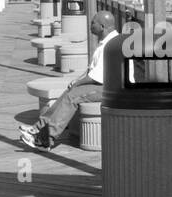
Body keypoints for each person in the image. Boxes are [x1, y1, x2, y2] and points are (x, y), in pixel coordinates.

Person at [20, 11, 118, 149]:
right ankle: (39, 128)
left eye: (93, 23)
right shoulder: (109, 41)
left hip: (112, 89)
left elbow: (97, 76)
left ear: (102, 26)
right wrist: (77, 81)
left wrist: (77, 83)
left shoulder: (110, 45)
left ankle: (45, 140)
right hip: (106, 84)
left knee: (72, 96)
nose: (90, 25)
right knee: (70, 92)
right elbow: (92, 69)